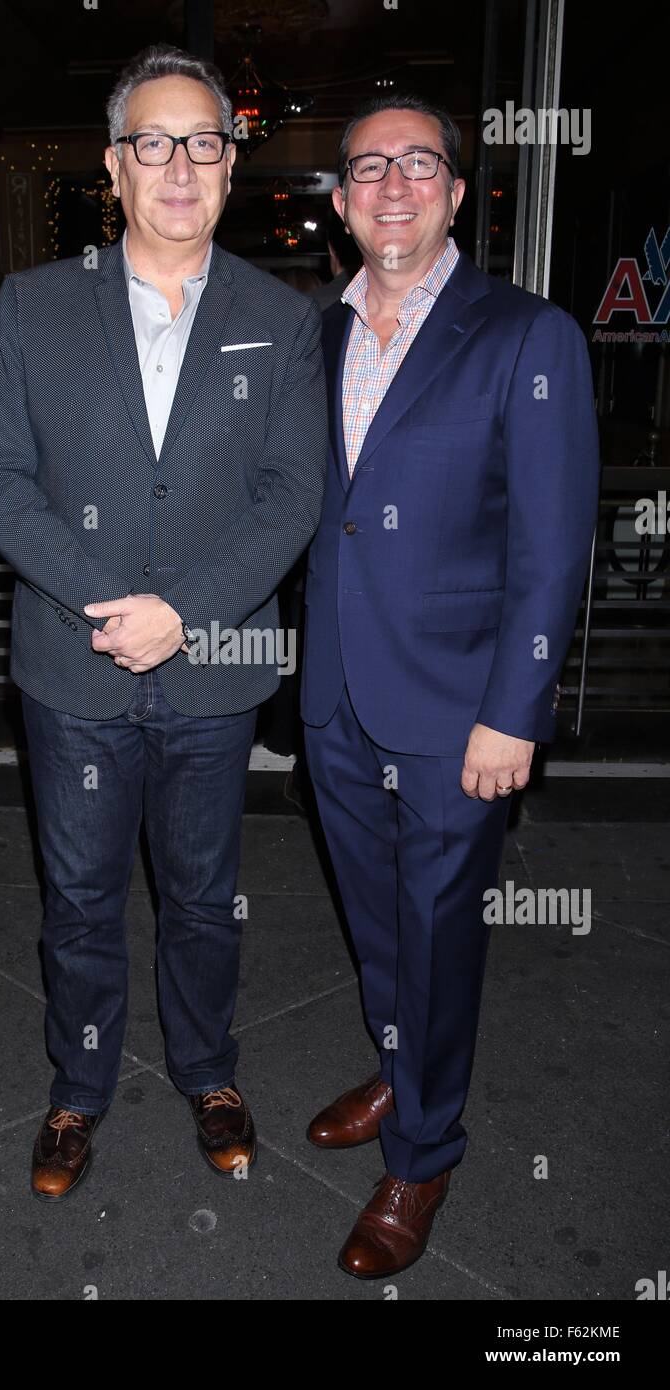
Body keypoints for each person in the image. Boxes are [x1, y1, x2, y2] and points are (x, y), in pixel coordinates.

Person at [0, 43, 327, 1201]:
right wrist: (107, 603)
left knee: (203, 895)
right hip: (74, 668)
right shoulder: (33, 305)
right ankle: (76, 1090)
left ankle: (208, 1072)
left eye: (204, 141)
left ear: (229, 163)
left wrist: (186, 614)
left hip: (214, 671)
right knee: (76, 897)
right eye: (153, 142)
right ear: (114, 169)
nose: (180, 165)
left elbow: (294, 494)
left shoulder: (284, 317)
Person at [300, 91, 600, 1278]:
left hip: (456, 714)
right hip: (333, 696)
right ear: (338, 201)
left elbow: (550, 545)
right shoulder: (311, 336)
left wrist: (509, 714)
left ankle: (424, 1151)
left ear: (457, 194)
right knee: (374, 922)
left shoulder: (528, 337)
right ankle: (398, 1062)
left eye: (418, 163)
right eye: (367, 168)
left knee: (434, 930)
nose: (391, 184)